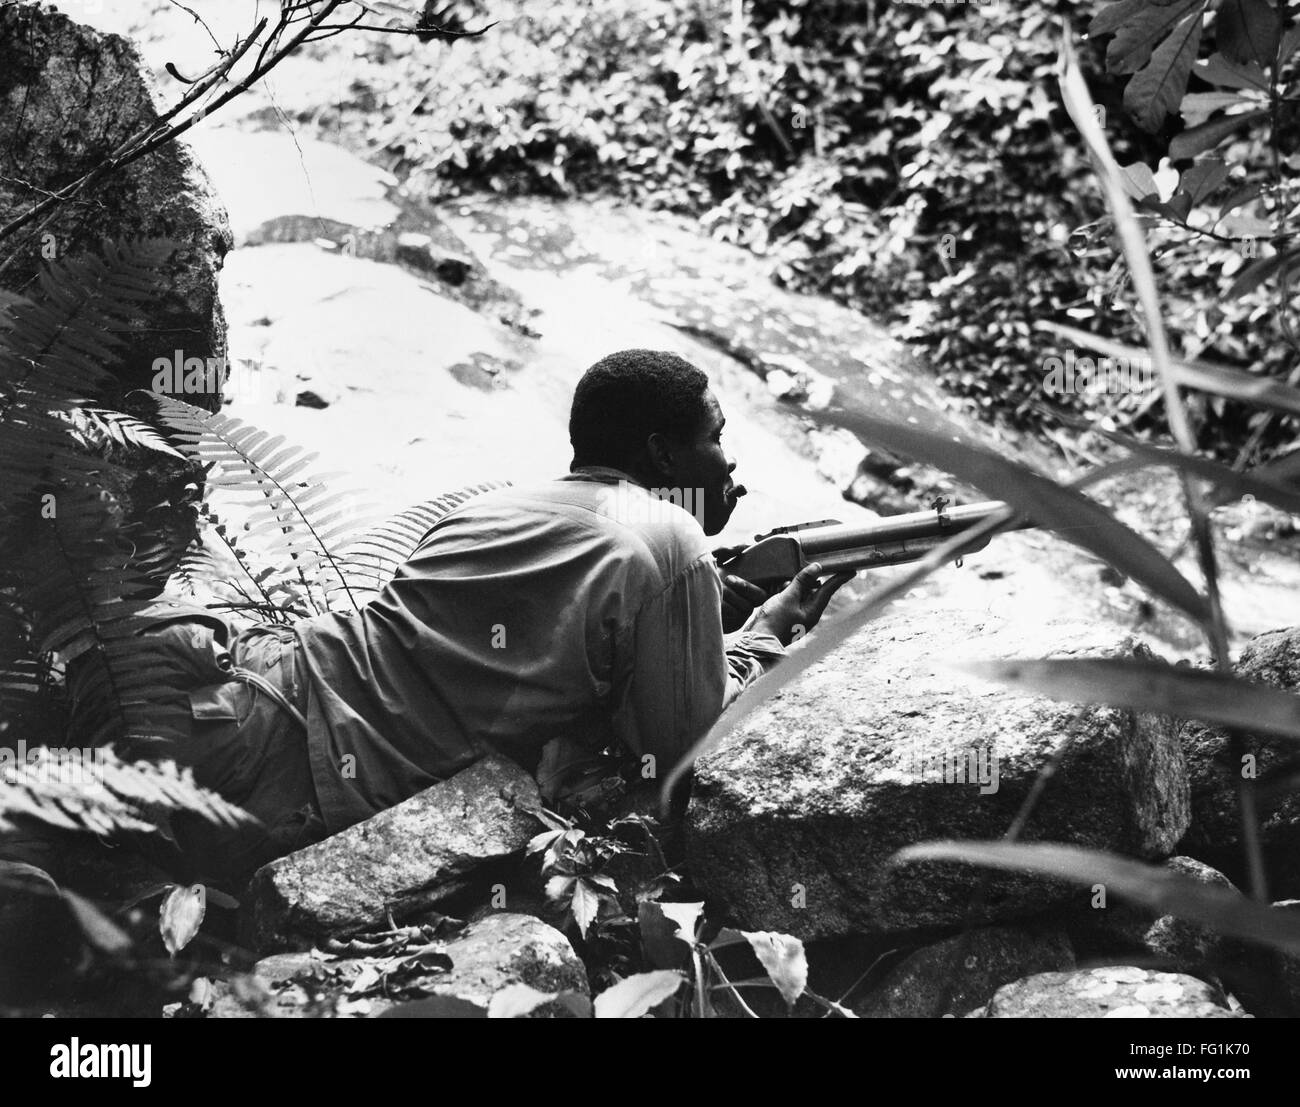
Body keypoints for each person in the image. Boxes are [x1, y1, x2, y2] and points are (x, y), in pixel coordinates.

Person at [163, 349, 853, 883]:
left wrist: (709, 589)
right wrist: (765, 634)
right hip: (289, 770)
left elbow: (542, 631)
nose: (728, 458)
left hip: (228, 688)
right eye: (715, 436)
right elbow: (680, 756)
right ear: (660, 453)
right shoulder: (672, 537)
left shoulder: (495, 508)